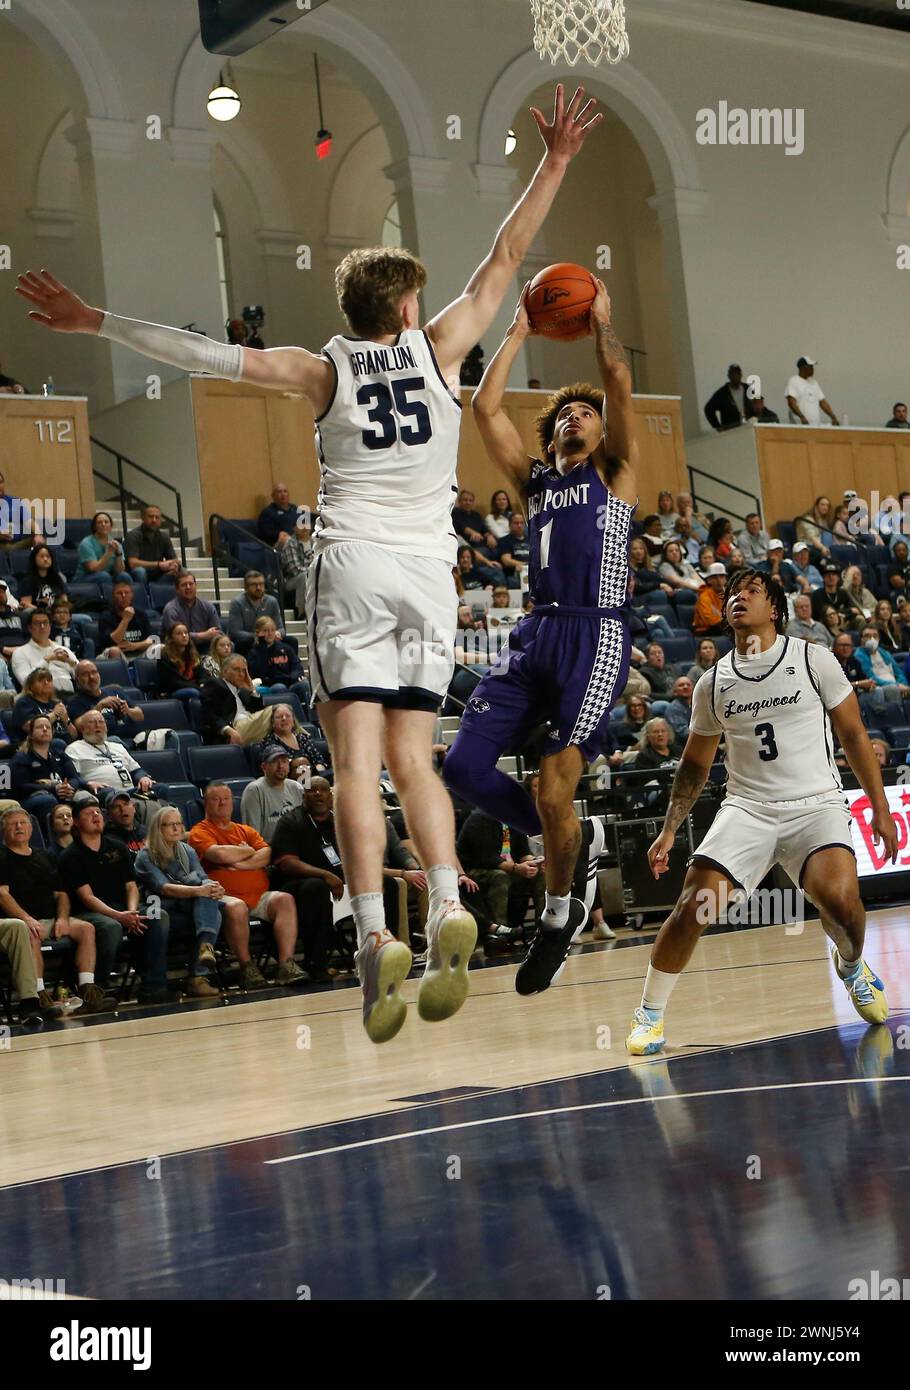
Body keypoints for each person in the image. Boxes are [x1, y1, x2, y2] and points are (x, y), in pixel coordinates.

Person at [16, 83, 602, 1042]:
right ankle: (451, 902)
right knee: (420, 760)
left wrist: (97, 323)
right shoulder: (444, 345)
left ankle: (375, 936)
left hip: (354, 566)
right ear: (409, 302)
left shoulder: (323, 367)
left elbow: (202, 352)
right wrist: (557, 160)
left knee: (355, 758)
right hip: (429, 574)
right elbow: (506, 256)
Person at [445, 273, 635, 996]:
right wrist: (520, 329)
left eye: (586, 413)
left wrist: (601, 322)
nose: (577, 418)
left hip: (596, 638)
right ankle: (565, 847)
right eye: (566, 414)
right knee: (462, 769)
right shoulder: (534, 485)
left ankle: (557, 915)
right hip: (535, 637)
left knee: (559, 795)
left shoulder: (615, 472)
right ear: (552, 432)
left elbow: (616, 376)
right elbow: (485, 405)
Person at [626, 566, 895, 1057]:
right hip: (748, 809)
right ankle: (649, 1014)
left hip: (815, 805)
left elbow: (855, 736)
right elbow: (693, 766)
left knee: (840, 902)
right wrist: (669, 829)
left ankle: (853, 966)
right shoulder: (712, 682)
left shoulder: (814, 660)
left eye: (751, 591)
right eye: (732, 593)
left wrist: (879, 806)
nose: (738, 598)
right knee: (692, 907)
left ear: (774, 609)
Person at [187, 782, 305, 987]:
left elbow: (267, 854)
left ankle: (286, 964)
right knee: (237, 907)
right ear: (206, 803)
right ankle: (247, 967)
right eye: (216, 799)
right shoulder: (200, 831)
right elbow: (219, 854)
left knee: (284, 899)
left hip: (258, 894)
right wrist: (249, 851)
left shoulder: (245, 830)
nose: (223, 803)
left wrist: (239, 863)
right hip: (223, 896)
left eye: (226, 798)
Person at [60, 792, 171, 1004]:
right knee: (111, 927)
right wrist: (120, 916)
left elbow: (131, 886)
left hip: (124, 909)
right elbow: (87, 897)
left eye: (97, 811)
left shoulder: (117, 847)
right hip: (90, 913)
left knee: (158, 915)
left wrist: (132, 912)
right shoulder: (71, 855)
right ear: (76, 821)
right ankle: (96, 991)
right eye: (88, 813)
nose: (95, 815)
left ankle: (154, 987)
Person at [136, 807, 248, 999]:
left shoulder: (187, 850)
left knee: (210, 897)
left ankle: (201, 965)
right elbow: (164, 888)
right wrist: (201, 890)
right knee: (209, 903)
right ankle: (198, 972)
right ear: (158, 828)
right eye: (171, 824)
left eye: (179, 823)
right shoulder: (146, 855)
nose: (177, 828)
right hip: (158, 906)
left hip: (185, 904)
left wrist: (215, 888)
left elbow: (203, 879)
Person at [0, 806, 104, 1012]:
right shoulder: (1, 857)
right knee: (30, 933)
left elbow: (61, 894)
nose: (19, 827)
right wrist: (27, 918)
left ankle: (87, 990)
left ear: (31, 829)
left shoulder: (45, 857)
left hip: (51, 919)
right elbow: (2, 894)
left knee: (87, 928)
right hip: (23, 923)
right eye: (13, 824)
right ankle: (40, 995)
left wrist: (63, 918)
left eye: (23, 822)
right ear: (3, 831)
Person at [267, 780, 348, 982]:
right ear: (304, 797)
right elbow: (287, 863)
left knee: (384, 883)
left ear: (331, 796)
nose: (318, 794)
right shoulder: (291, 821)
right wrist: (325, 875)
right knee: (316, 887)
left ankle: (384, 950)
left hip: (339, 881)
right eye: (312, 791)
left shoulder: (340, 822)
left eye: (323, 790)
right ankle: (317, 964)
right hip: (297, 885)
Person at [456, 806, 545, 951]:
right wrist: (517, 868)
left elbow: (523, 852)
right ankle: (502, 934)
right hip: (475, 870)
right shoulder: (479, 819)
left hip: (509, 867)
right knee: (500, 877)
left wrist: (534, 861)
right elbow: (489, 858)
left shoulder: (515, 819)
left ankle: (543, 930)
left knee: (540, 874)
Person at [66, 710, 157, 796]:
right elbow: (73, 777)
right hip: (102, 791)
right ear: (82, 729)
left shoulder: (118, 746)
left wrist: (143, 778)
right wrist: (87, 784)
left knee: (160, 789)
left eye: (101, 722)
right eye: (92, 722)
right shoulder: (74, 748)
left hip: (130, 791)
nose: (97, 725)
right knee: (110, 793)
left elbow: (136, 770)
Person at [9, 714, 86, 816]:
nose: (45, 729)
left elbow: (74, 777)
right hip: (33, 799)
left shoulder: (60, 754)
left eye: (48, 727)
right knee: (48, 800)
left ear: (52, 733)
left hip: (63, 794)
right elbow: (21, 787)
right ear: (31, 734)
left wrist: (69, 787)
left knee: (86, 798)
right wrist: (54, 789)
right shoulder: (21, 757)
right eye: (40, 727)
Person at [199, 653, 271, 745]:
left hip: (252, 726)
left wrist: (252, 690)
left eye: (244, 670)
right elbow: (209, 714)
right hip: (234, 728)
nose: (241, 674)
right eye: (236, 670)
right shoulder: (215, 684)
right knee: (277, 711)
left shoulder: (243, 691)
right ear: (224, 671)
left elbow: (259, 711)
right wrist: (228, 731)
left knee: (282, 714)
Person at [66, 659, 144, 742]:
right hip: (104, 742)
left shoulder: (115, 691)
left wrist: (128, 710)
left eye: (94, 672)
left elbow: (140, 716)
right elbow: (79, 726)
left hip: (132, 740)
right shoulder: (74, 702)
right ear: (77, 680)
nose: (91, 677)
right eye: (85, 674)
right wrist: (100, 706)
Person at [239, 746, 305, 842]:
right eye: (274, 761)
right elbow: (252, 836)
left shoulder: (297, 787)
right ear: (263, 767)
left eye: (284, 761)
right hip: (269, 849)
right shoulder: (254, 790)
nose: (280, 766)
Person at [11, 607, 79, 694]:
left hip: (70, 696)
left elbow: (81, 674)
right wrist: (47, 660)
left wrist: (70, 661)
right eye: (37, 623)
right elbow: (26, 682)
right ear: (29, 628)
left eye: (45, 623)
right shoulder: (20, 653)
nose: (42, 627)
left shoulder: (63, 650)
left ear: (50, 626)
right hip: (39, 698)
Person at [246, 616, 308, 702]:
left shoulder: (286, 648)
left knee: (304, 685)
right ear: (258, 633)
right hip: (270, 685)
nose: (270, 633)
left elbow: (297, 666)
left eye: (272, 630)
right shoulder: (254, 652)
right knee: (279, 687)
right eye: (265, 631)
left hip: (289, 682)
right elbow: (259, 673)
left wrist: (293, 678)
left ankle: (307, 715)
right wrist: (263, 647)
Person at [227, 570, 286, 654]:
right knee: (245, 643)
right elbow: (235, 632)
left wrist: (277, 633)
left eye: (261, 584)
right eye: (254, 585)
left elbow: (281, 629)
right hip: (249, 641)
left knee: (292, 641)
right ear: (246, 587)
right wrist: (259, 636)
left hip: (269, 638)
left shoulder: (272, 601)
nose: (258, 587)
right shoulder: (237, 603)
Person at [9, 667, 74, 743]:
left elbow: (74, 735)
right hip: (39, 745)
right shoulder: (24, 703)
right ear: (31, 687)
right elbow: (29, 727)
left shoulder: (57, 703)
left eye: (49, 680)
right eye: (41, 681)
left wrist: (66, 719)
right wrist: (54, 714)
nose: (46, 683)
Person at [160, 573, 222, 649]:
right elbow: (177, 637)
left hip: (206, 648)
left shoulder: (208, 606)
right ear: (177, 589)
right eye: (184, 585)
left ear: (196, 586)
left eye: (191, 584)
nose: (188, 587)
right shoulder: (171, 609)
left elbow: (217, 633)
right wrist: (204, 635)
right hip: (180, 650)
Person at [97, 578, 155, 659]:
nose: (123, 596)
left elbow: (153, 639)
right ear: (113, 596)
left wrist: (133, 646)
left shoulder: (141, 614)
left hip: (138, 653)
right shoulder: (106, 616)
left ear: (132, 595)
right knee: (114, 650)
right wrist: (125, 620)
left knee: (160, 647)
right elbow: (113, 642)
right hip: (115, 654)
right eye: (119, 593)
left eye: (126, 593)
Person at [124, 503, 180, 584]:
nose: (154, 520)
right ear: (143, 518)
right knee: (140, 571)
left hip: (158, 574)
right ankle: (143, 595)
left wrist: (174, 565)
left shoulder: (164, 537)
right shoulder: (133, 535)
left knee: (180, 571)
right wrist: (159, 564)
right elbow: (133, 563)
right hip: (137, 574)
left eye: (157, 517)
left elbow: (173, 559)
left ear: (161, 520)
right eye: (150, 516)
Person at [851, 624, 910, 699]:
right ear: (861, 639)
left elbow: (898, 672)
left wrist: (904, 685)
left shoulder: (884, 652)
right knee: (893, 689)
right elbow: (870, 677)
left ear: (878, 638)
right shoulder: (859, 655)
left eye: (875, 636)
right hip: (880, 687)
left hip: (896, 684)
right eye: (867, 636)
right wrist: (897, 685)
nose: (872, 639)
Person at [73, 511, 125, 590]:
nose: (103, 524)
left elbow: (119, 571)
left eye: (106, 522)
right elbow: (94, 569)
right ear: (94, 527)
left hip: (106, 576)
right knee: (103, 576)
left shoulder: (116, 544)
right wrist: (109, 552)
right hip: (84, 578)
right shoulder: (86, 543)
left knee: (124, 576)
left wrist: (118, 554)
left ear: (111, 526)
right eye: (99, 522)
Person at [786, 357, 839, 427]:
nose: (813, 369)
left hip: (815, 426)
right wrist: (801, 417)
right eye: (810, 367)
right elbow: (791, 402)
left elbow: (822, 402)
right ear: (803, 368)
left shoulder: (814, 383)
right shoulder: (793, 381)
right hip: (800, 425)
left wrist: (833, 416)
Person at [279, 512, 313, 619]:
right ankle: (302, 612)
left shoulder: (316, 542)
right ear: (294, 528)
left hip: (313, 574)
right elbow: (295, 569)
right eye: (301, 524)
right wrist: (314, 571)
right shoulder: (291, 543)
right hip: (292, 580)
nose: (304, 527)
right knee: (304, 576)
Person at [156, 623, 203, 697]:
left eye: (186, 633)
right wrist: (197, 686)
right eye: (179, 633)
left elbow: (202, 674)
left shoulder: (193, 654)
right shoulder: (165, 657)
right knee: (194, 692)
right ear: (171, 638)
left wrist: (203, 683)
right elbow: (174, 682)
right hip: (171, 691)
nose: (184, 636)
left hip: (193, 687)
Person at [20, 544, 67, 610]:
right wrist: (42, 612)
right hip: (37, 614)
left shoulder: (57, 577)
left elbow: (64, 601)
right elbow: (26, 604)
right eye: (41, 556)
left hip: (57, 614)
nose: (45, 559)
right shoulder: (28, 580)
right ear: (34, 559)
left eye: (48, 556)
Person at [703, 363, 747, 431]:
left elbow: (758, 404)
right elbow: (708, 409)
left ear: (741, 375)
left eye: (737, 373)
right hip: (730, 429)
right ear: (729, 376)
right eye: (733, 374)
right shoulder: (722, 393)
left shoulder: (748, 389)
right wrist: (717, 426)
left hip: (748, 427)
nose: (736, 376)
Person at [258, 483, 300, 548]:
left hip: (298, 539)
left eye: (285, 491)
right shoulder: (268, 512)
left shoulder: (294, 508)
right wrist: (279, 534)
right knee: (288, 540)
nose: (283, 494)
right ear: (273, 496)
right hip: (279, 543)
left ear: (288, 494)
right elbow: (267, 533)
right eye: (279, 492)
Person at [496, 512, 531, 590]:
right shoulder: (504, 541)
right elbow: (506, 560)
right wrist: (525, 565)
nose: (519, 525)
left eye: (521, 523)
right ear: (510, 525)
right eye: (516, 523)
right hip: (516, 572)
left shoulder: (531, 539)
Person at [692, 562, 728, 635]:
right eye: (715, 577)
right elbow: (710, 621)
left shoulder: (727, 595)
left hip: (723, 628)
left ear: (725, 579)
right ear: (709, 580)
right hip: (705, 631)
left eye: (721, 576)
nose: (719, 580)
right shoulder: (704, 597)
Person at [664, 676, 694, 741]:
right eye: (681, 685)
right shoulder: (673, 708)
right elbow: (683, 733)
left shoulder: (696, 705)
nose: (685, 687)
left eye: (688, 685)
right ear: (675, 691)